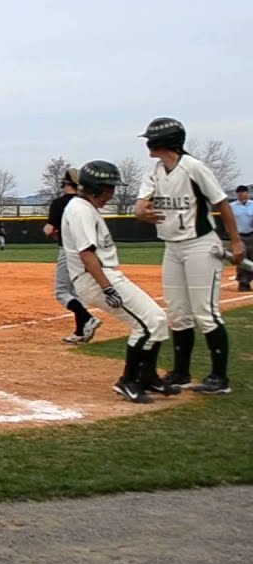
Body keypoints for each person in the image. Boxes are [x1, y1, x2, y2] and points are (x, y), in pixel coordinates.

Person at [135, 117, 246, 395]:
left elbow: (221, 202)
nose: (148, 145)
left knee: (205, 311)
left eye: (152, 140)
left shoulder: (194, 168)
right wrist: (141, 211)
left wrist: (235, 241)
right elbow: (141, 204)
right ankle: (181, 373)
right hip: (171, 246)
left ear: (165, 142)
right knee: (178, 313)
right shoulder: (156, 171)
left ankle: (220, 378)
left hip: (200, 245)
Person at [63, 160, 176, 403]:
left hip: (103, 275)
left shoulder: (85, 207)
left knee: (156, 320)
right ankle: (128, 380)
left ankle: (147, 377)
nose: (111, 194)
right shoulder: (80, 209)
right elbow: (86, 253)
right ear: (94, 188)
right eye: (108, 188)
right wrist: (107, 287)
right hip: (96, 278)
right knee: (146, 324)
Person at [44, 168, 101, 345]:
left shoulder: (60, 203)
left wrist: (54, 233)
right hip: (90, 251)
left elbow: (49, 229)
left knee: (62, 291)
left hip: (69, 250)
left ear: (66, 184)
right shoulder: (86, 203)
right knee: (76, 291)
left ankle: (88, 318)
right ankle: (80, 332)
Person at [233, 185, 253, 292]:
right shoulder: (232, 206)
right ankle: (242, 282)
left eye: (243, 192)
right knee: (242, 259)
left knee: (251, 259)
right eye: (239, 192)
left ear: (247, 193)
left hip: (251, 235)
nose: (241, 194)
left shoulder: (252, 205)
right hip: (239, 236)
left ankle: (248, 280)